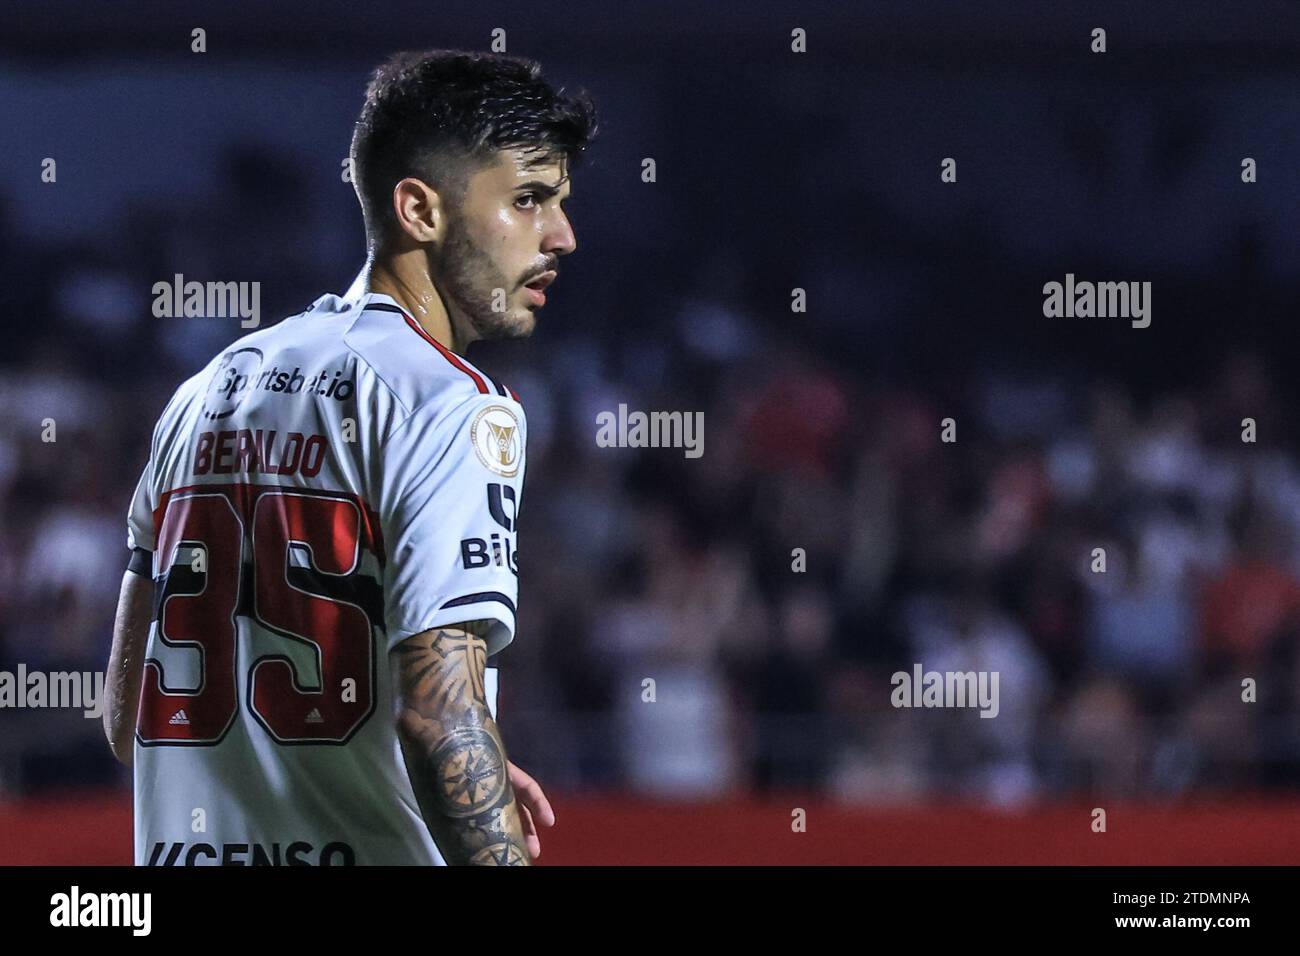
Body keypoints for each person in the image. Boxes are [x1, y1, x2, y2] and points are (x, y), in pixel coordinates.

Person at [101, 49, 597, 865]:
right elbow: (439, 716)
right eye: (529, 199)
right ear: (419, 209)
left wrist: (378, 765)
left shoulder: (205, 391)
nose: (563, 236)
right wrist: (449, 758)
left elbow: (127, 720)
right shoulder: (451, 404)